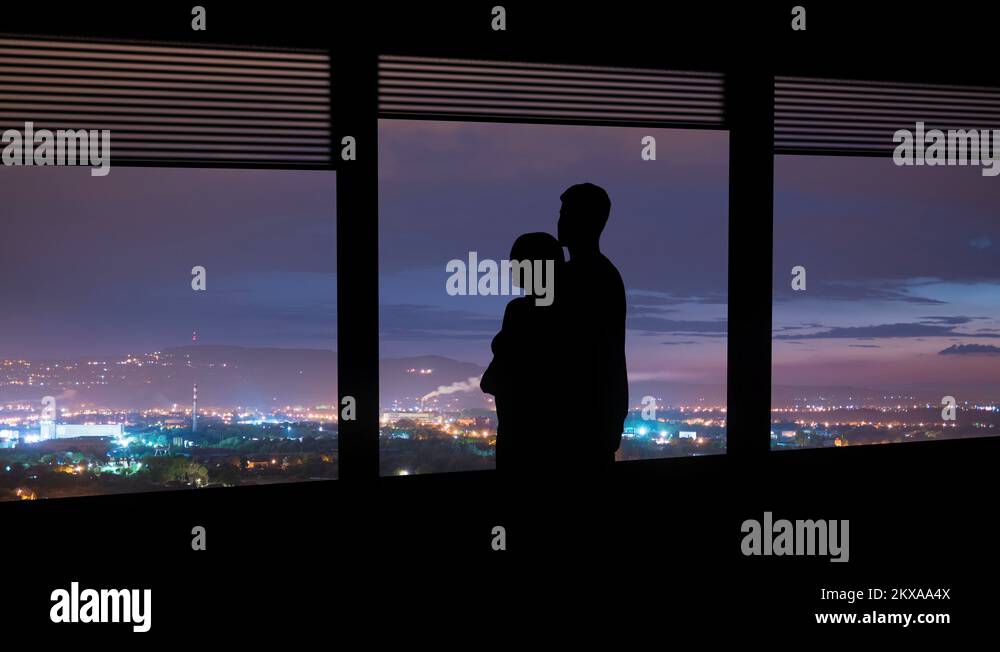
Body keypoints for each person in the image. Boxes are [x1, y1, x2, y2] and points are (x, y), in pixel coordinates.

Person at [481, 232, 566, 476]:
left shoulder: (520, 312)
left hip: (521, 431)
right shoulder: (568, 314)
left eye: (516, 261)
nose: (511, 268)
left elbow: (497, 376)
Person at [556, 183, 628, 469]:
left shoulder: (581, 277)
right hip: (595, 418)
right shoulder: (604, 274)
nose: (559, 221)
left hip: (579, 419)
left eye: (564, 213)